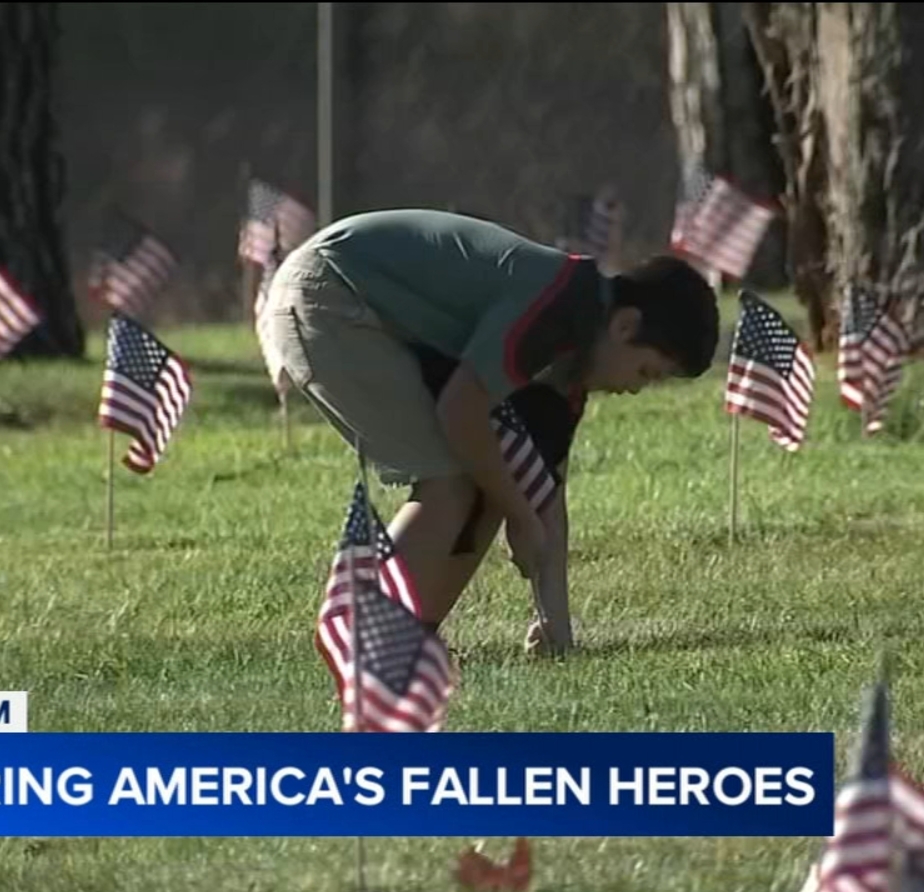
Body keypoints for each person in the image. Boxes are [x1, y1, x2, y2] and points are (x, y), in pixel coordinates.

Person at [257, 209, 719, 655]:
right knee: (454, 479)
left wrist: (556, 626)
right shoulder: (556, 304)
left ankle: (412, 633)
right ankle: (364, 632)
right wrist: (519, 515)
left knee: (488, 477)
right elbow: (461, 411)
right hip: (328, 295)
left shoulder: (569, 363)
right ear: (625, 325)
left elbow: (547, 504)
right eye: (646, 372)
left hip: (349, 302)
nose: (637, 389)